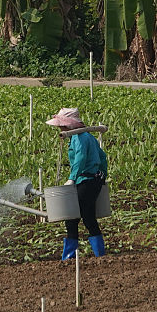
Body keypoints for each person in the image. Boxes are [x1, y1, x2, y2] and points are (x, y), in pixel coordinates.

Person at [45, 107, 107, 260]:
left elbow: (80, 158)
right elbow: (102, 157)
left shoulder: (79, 138)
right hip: (92, 180)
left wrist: (72, 178)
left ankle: (70, 256)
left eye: (61, 125)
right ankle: (99, 254)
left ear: (69, 125)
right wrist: (103, 176)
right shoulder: (87, 136)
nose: (59, 128)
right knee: (88, 217)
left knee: (74, 217)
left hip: (86, 181)